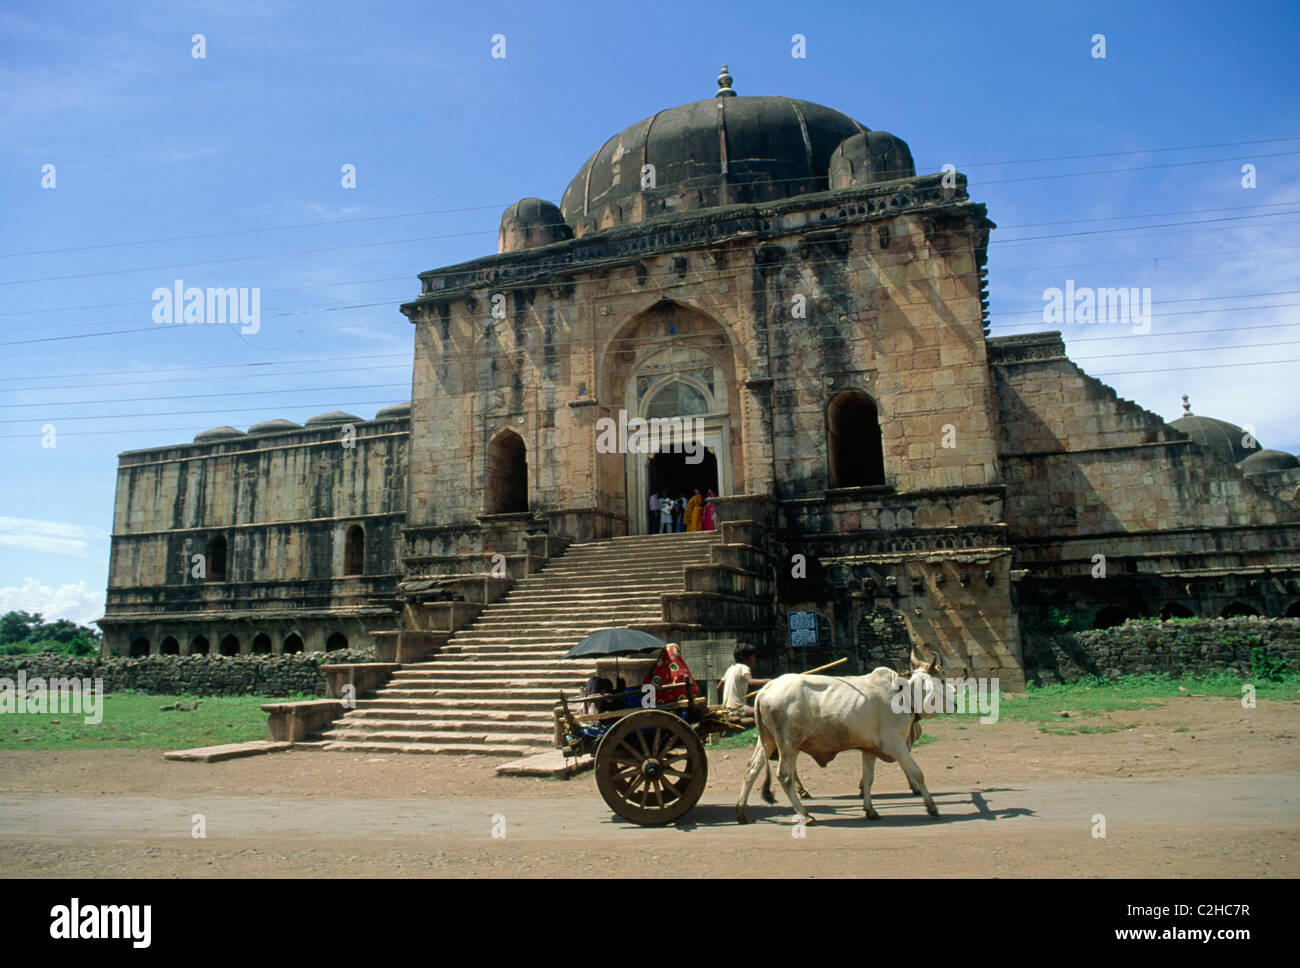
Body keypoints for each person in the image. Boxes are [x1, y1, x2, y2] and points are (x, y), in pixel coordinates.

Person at [720, 644, 770, 716]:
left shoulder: (730, 669)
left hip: (726, 709)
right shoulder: (743, 667)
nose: (754, 659)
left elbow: (719, 688)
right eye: (753, 656)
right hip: (738, 710)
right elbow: (750, 681)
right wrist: (769, 681)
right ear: (745, 658)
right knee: (761, 712)